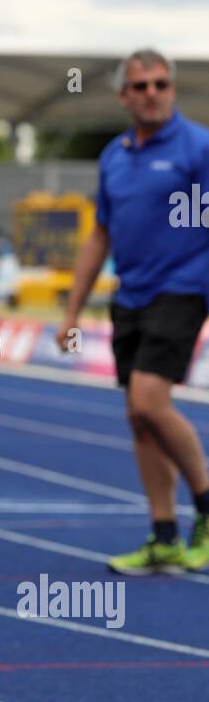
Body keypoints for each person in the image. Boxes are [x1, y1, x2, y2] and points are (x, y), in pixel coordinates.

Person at [58, 48, 209, 574]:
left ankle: (207, 505)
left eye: (161, 84)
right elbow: (99, 234)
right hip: (131, 296)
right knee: (139, 420)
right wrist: (72, 311)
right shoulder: (114, 157)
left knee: (149, 400)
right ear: (124, 95)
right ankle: (164, 534)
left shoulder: (198, 148)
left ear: (172, 90)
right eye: (141, 86)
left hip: (185, 288)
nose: (152, 93)